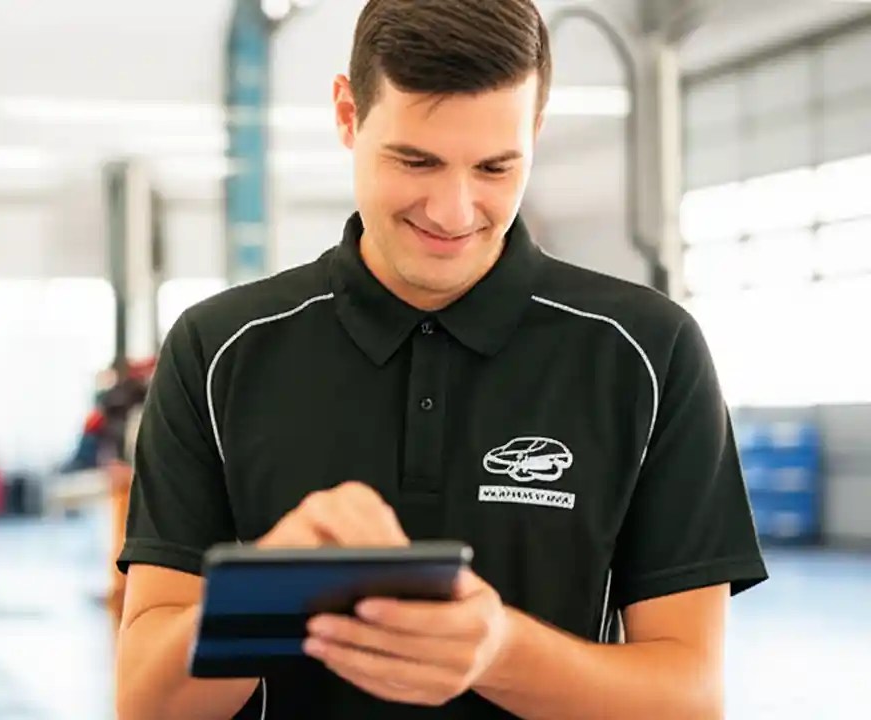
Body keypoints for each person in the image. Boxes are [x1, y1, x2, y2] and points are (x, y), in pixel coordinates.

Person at [115, 1, 768, 718]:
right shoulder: (219, 349)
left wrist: (499, 653)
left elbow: (690, 699)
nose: (454, 212)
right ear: (346, 113)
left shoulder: (648, 352)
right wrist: (273, 583)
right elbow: (148, 704)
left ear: (535, 132)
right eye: (415, 160)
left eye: (495, 166)